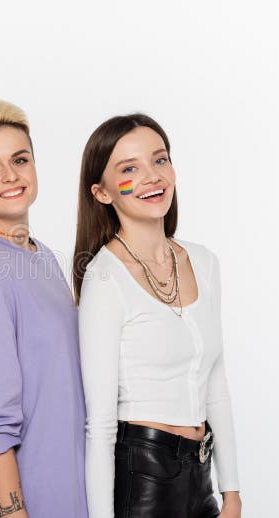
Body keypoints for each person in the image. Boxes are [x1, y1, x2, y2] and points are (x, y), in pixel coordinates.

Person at [73, 114, 241, 518]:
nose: (151, 177)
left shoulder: (204, 262)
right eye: (129, 169)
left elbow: (214, 384)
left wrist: (231, 491)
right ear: (102, 192)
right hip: (144, 478)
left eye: (159, 160)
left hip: (201, 477)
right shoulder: (104, 278)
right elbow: (100, 424)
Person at [0, 100, 88, 517]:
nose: (10, 176)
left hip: (73, 493)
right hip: (32, 502)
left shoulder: (42, 257)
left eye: (20, 159)